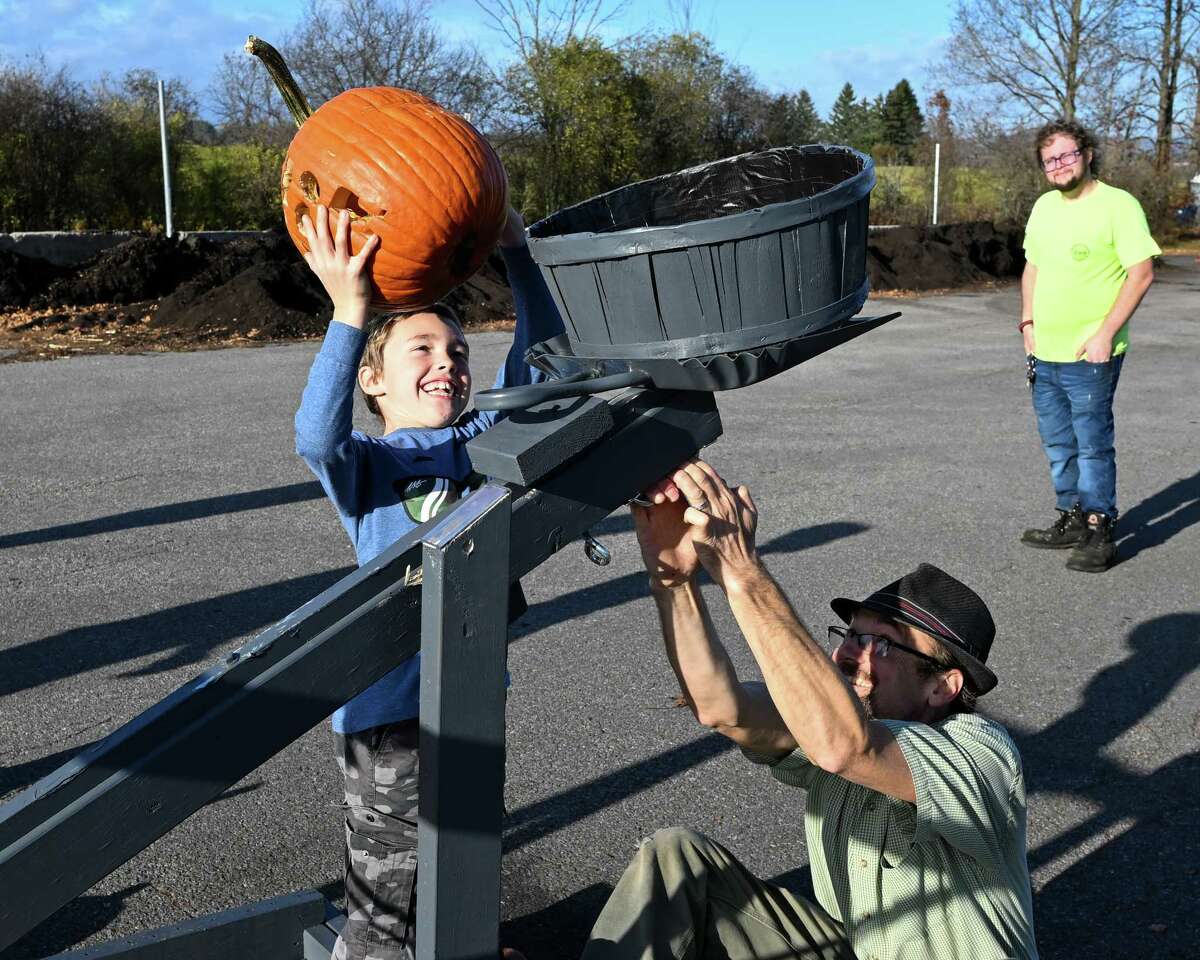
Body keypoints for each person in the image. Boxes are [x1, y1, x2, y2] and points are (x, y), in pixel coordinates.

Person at [579, 460, 1037, 960]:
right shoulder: (840, 723)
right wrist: (673, 581)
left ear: (942, 687)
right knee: (676, 859)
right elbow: (720, 707)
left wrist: (743, 569)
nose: (846, 654)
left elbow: (845, 748)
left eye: (880, 645)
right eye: (851, 635)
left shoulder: (982, 756)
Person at [294, 202, 563, 960]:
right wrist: (351, 312)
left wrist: (519, 256)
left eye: (457, 348)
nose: (447, 360)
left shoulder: (483, 439)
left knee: (469, 860)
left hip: (472, 698)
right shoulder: (370, 467)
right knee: (389, 894)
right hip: (391, 719)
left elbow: (537, 369)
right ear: (372, 380)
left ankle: (458, 944)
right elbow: (315, 433)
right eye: (421, 348)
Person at [1018, 120, 1159, 572]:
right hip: (1045, 351)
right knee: (1058, 444)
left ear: (1087, 153)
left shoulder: (1119, 206)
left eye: (1066, 155)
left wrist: (1104, 334)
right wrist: (1027, 323)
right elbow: (1032, 270)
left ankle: (1100, 526)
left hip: (1091, 354)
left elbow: (1141, 274)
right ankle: (1073, 516)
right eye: (1050, 161)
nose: (1059, 166)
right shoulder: (1044, 207)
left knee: (1092, 444)